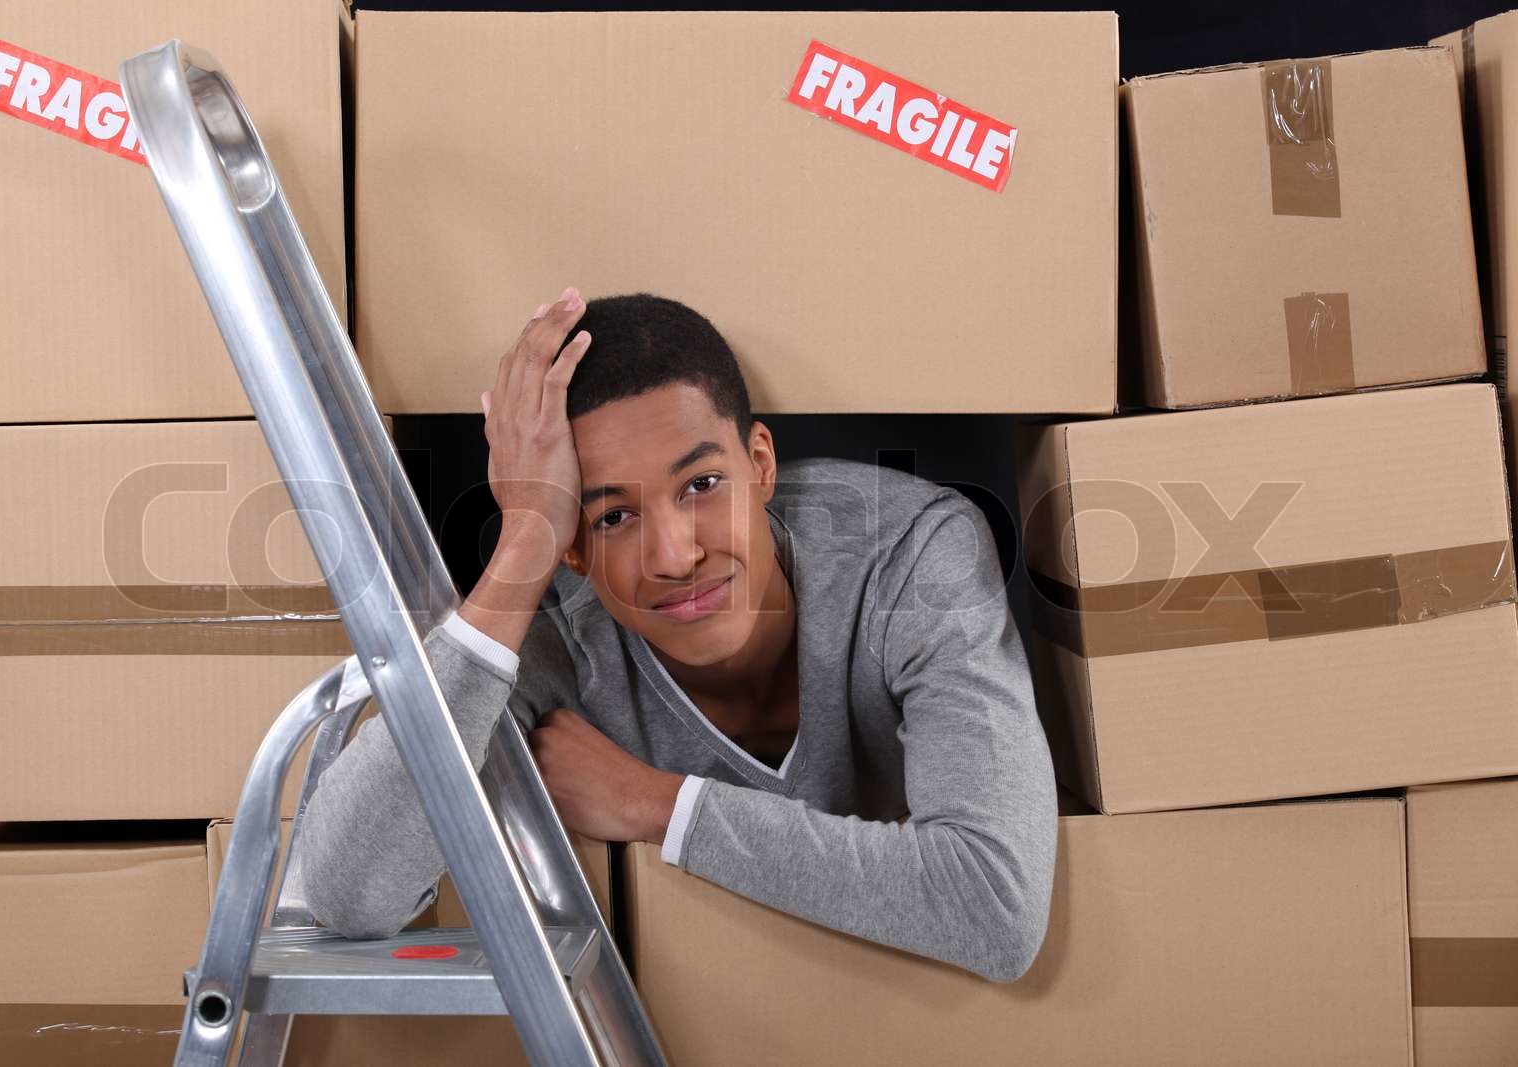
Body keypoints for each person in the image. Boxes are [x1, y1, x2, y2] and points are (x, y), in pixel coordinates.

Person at [300, 287, 1058, 982]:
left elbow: (994, 905)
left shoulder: (912, 555)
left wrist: (656, 803)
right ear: (573, 544)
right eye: (613, 516)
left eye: (701, 485)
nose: (675, 556)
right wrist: (524, 542)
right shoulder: (559, 633)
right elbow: (350, 893)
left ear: (760, 462)